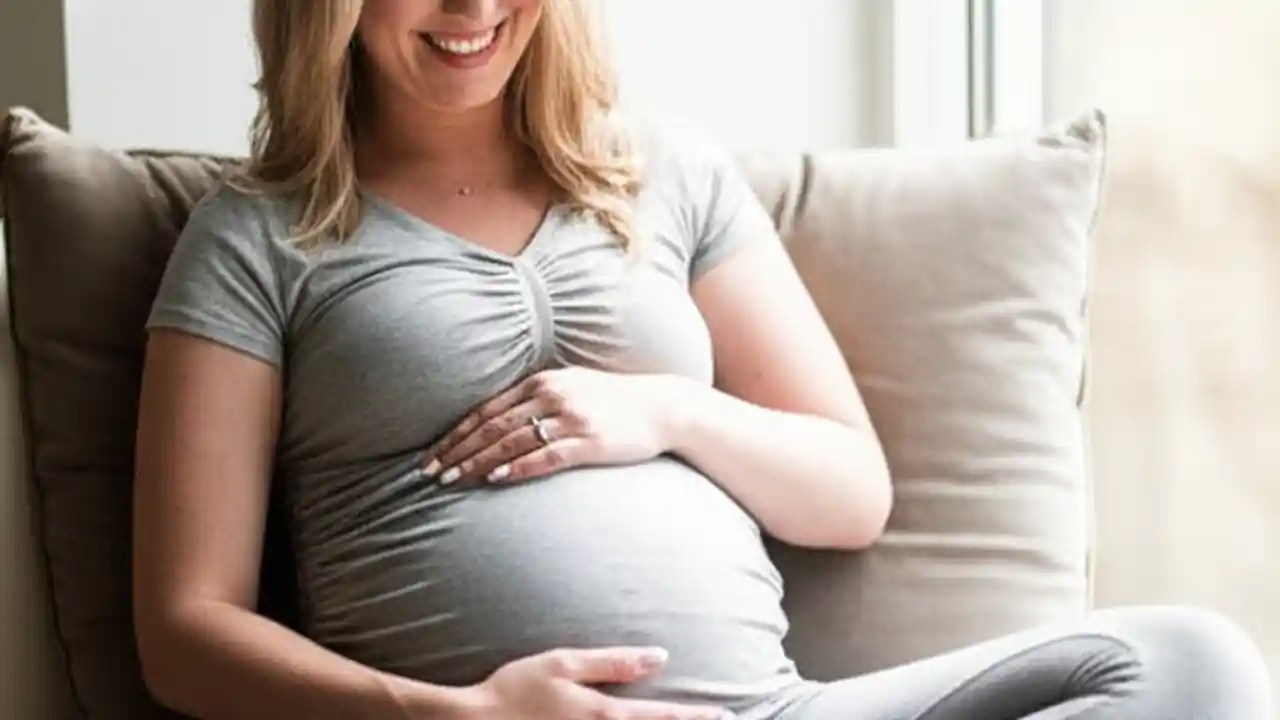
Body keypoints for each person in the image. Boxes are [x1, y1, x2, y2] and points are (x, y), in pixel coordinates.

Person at [132, 1, 1274, 718]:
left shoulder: (664, 177)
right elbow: (184, 635)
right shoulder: (256, 239)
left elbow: (848, 492)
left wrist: (669, 412)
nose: (472, 7)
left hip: (776, 711)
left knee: (1191, 664)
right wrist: (453, 716)